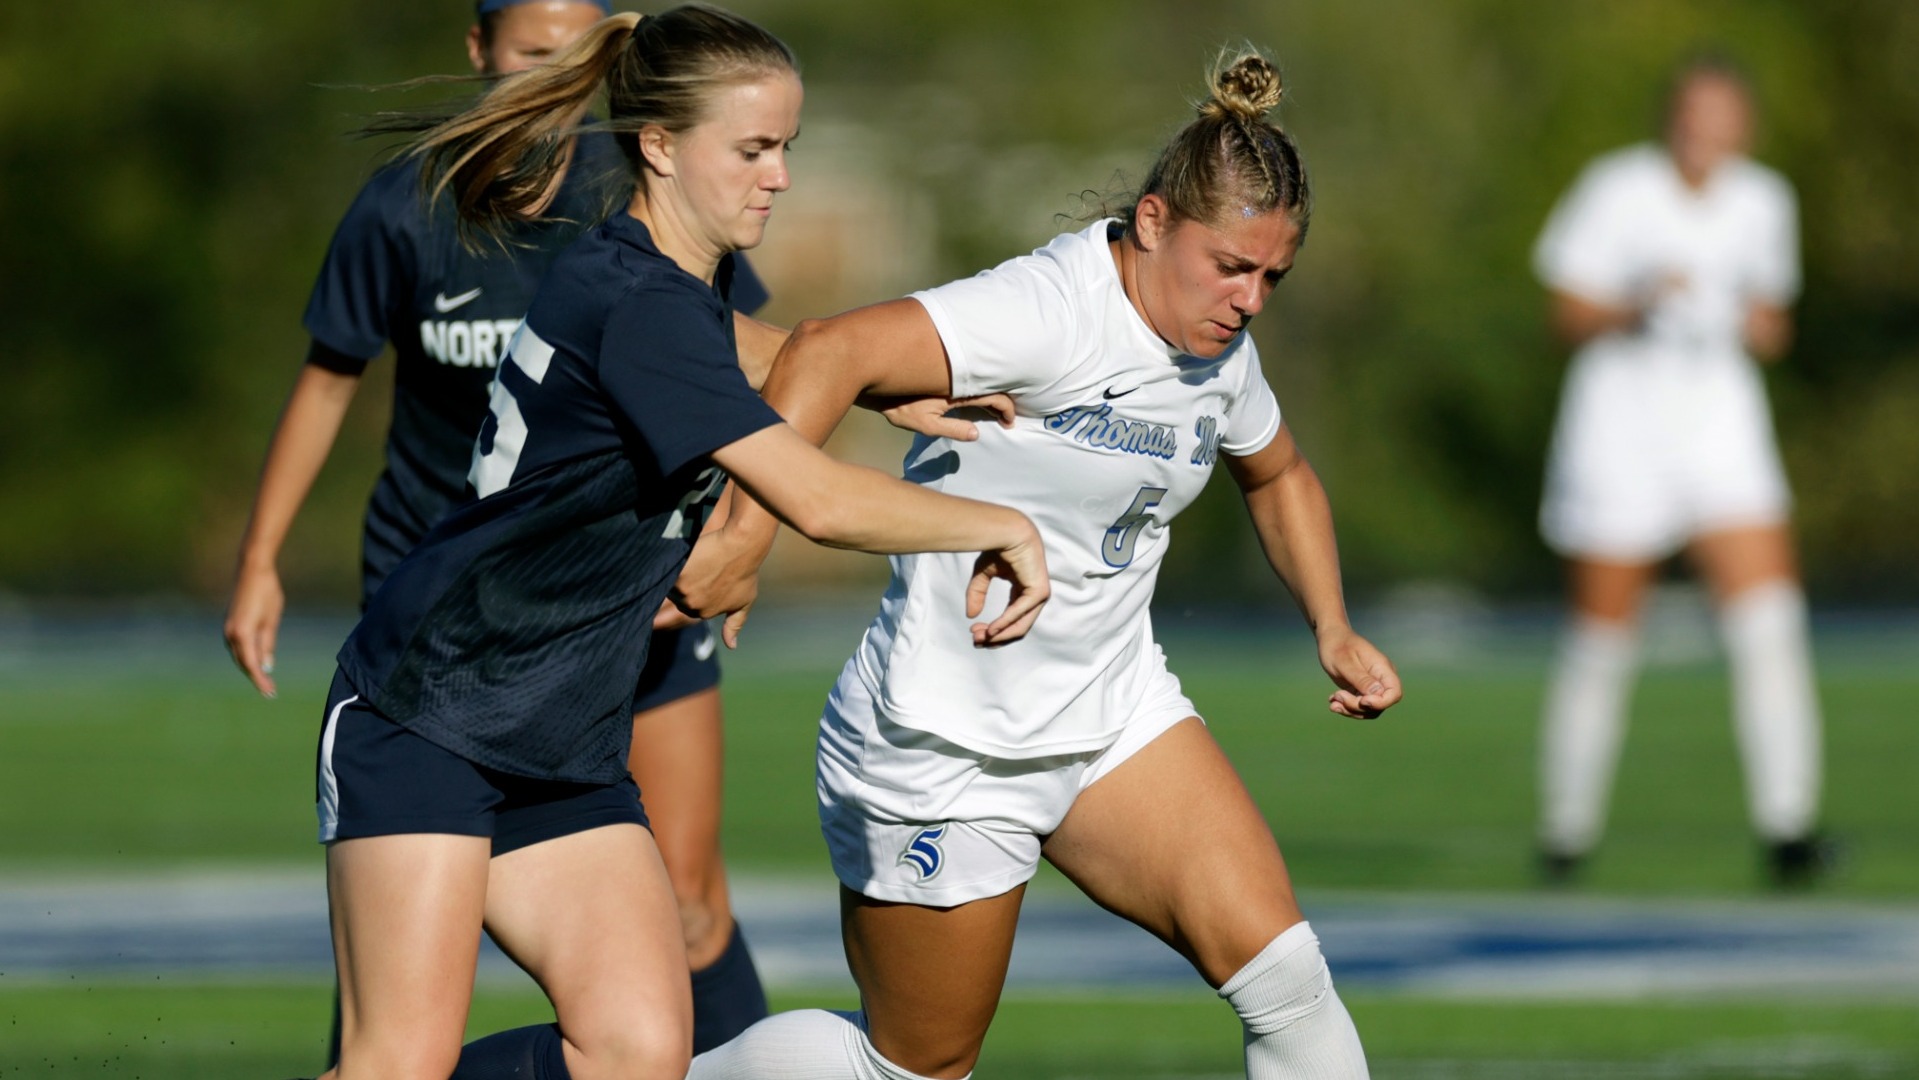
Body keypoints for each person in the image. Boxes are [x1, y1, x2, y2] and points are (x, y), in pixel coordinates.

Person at [295, 8, 1050, 1079]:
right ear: (658, 144)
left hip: (560, 743)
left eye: (785, 146)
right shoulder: (636, 301)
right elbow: (817, 501)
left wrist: (888, 386)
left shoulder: (658, 287)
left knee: (635, 1052)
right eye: (751, 149)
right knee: (394, 1063)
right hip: (430, 712)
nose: (778, 176)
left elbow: (761, 351)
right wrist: (999, 525)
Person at [675, 47, 1397, 1080]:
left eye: (1270, 276)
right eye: (1229, 267)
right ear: (1152, 222)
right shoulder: (1048, 310)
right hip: (945, 741)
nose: (1249, 301)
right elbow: (827, 349)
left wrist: (1329, 624)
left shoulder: (1217, 352)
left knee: (1290, 989)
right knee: (911, 1071)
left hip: (1109, 714)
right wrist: (744, 539)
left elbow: (1277, 476)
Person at [1530, 56, 1827, 887]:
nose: (1705, 130)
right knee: (1601, 636)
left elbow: (1772, 319)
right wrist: (1635, 301)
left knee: (1769, 622)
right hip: (1619, 431)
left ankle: (1788, 825)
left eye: (1722, 115)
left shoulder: (1764, 200)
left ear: (1743, 126)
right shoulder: (1615, 187)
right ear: (1672, 118)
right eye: (1694, 112)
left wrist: (1751, 317)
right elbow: (1566, 311)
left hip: (1720, 431)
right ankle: (1566, 830)